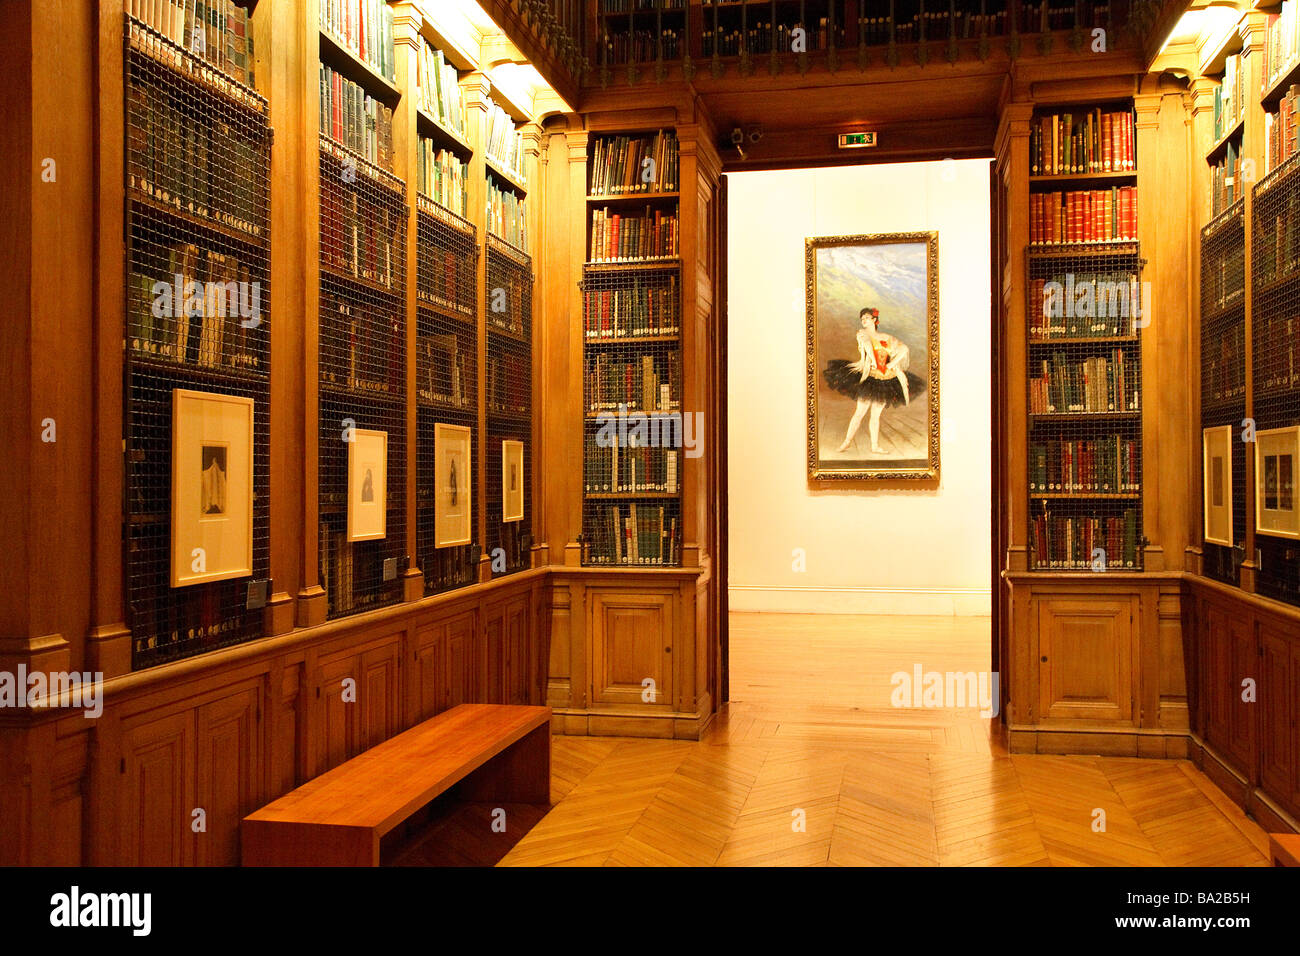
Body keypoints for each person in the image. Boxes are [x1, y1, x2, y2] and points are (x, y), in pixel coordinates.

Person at [822, 306, 925, 454]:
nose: (863, 321)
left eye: (867, 318)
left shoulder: (887, 337)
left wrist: (892, 364)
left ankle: (875, 446)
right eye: (862, 319)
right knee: (859, 412)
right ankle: (847, 442)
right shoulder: (862, 334)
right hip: (870, 377)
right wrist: (875, 363)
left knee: (876, 415)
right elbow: (868, 347)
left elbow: (904, 349)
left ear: (874, 320)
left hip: (886, 379)